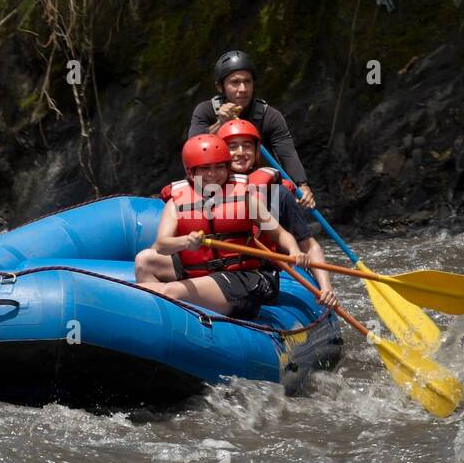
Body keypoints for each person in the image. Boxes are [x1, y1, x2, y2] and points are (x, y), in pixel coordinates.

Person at [136, 134, 307, 318]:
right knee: (144, 260)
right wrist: (186, 242)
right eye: (205, 168)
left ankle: (141, 311)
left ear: (228, 167)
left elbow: (280, 234)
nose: (213, 174)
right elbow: (161, 245)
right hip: (201, 273)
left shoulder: (244, 197)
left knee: (171, 292)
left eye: (219, 167)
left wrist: (294, 250)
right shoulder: (177, 202)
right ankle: (156, 324)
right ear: (191, 171)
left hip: (242, 279)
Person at [217, 118, 338, 309]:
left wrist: (326, 289)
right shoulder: (207, 192)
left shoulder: (277, 194)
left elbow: (309, 246)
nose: (240, 153)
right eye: (232, 147)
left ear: (256, 151)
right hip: (220, 271)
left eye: (247, 146)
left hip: (259, 275)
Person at [187, 49, 317, 209]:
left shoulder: (269, 116)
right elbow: (192, 147)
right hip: (218, 188)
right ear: (220, 87)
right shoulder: (205, 111)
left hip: (258, 190)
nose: (242, 89)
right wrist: (220, 123)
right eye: (235, 83)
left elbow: (287, 153)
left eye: (247, 82)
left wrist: (302, 185)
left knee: (284, 197)